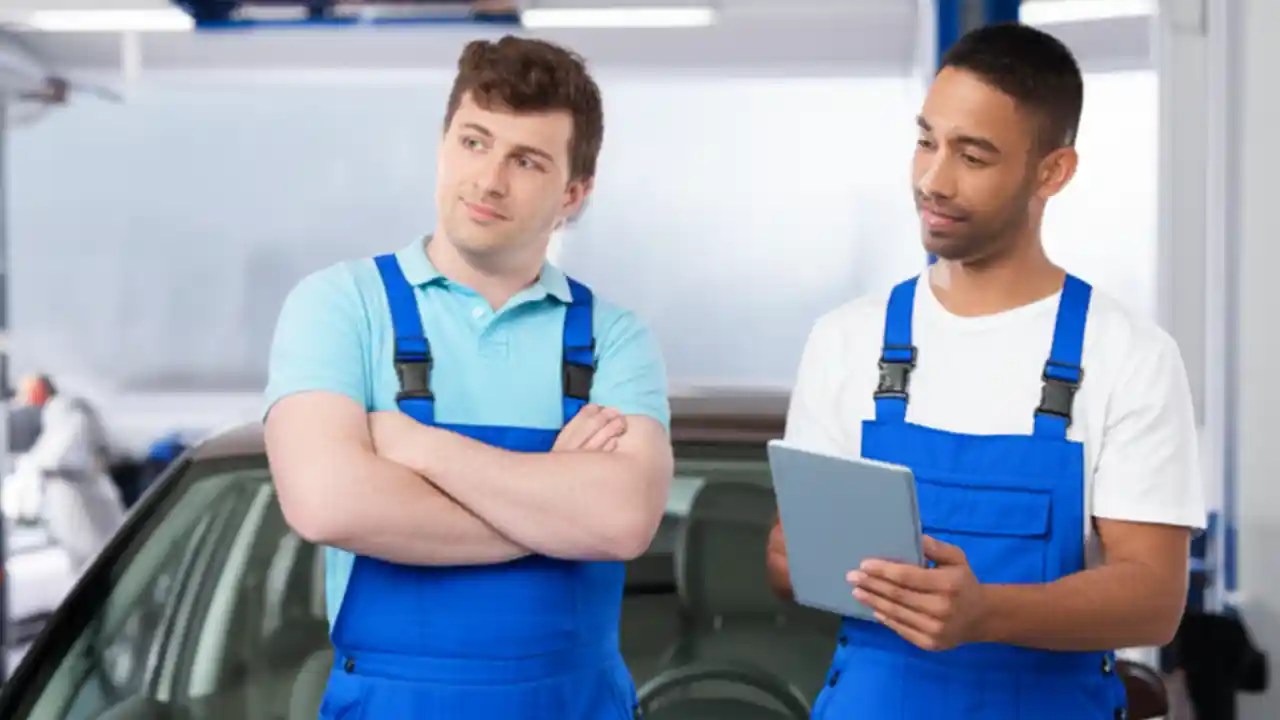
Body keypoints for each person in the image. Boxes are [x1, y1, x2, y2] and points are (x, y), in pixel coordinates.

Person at [766, 23, 1204, 719]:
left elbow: (1153, 600)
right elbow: (792, 562)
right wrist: (795, 562)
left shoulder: (1129, 356)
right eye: (926, 142)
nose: (933, 180)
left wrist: (986, 613)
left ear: (1052, 172)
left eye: (973, 156)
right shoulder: (845, 341)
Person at [263, 36, 672, 720]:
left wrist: (418, 449)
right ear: (443, 144)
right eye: (474, 142)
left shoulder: (616, 339)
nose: (488, 180)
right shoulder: (340, 306)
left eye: (527, 161)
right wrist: (556, 507)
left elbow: (624, 520)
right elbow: (327, 504)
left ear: (574, 192)